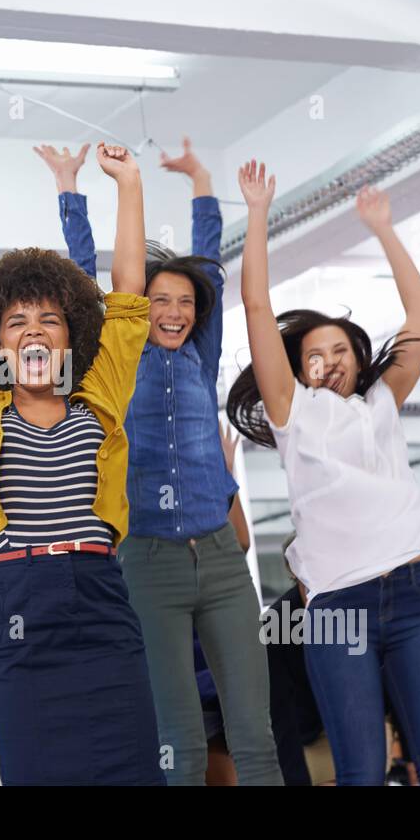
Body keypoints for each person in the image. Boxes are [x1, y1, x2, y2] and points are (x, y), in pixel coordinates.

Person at [35, 137, 281, 786]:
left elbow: (212, 264)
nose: (173, 312)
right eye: (158, 301)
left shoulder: (201, 357)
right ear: (138, 307)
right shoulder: (109, 363)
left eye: (184, 303)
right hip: (147, 561)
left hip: (223, 559)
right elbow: (84, 275)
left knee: (255, 735)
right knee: (179, 739)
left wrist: (203, 178)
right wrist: (71, 186)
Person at [0, 144, 164, 785]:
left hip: (101, 598)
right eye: (17, 321)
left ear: (70, 336)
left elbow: (130, 294)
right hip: (18, 606)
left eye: (49, 320)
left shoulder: (100, 391)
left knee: (132, 770)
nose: (33, 330)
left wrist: (129, 184)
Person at [227, 160, 420, 786]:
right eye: (314, 356)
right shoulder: (293, 414)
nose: (329, 363)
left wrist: (383, 229)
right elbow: (255, 305)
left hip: (412, 597)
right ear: (298, 370)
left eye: (340, 353)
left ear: (358, 362)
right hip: (339, 610)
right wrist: (256, 213)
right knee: (362, 770)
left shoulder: (383, 400)